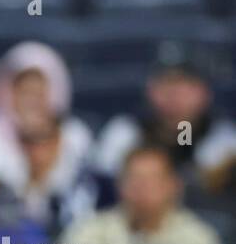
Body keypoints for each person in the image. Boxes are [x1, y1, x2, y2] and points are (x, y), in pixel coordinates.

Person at [0, 42, 95, 233]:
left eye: (39, 92)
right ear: (5, 91)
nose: (31, 102)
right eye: (23, 92)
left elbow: (83, 199)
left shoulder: (76, 135)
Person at [92, 49, 236, 198]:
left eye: (184, 85)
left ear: (205, 93)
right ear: (149, 90)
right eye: (165, 83)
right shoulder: (124, 132)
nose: (173, 95)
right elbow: (105, 185)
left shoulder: (224, 138)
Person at [62, 145, 221, 244]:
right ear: (120, 185)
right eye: (134, 179)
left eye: (152, 179)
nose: (142, 187)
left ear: (173, 186)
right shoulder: (88, 235)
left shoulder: (196, 240)